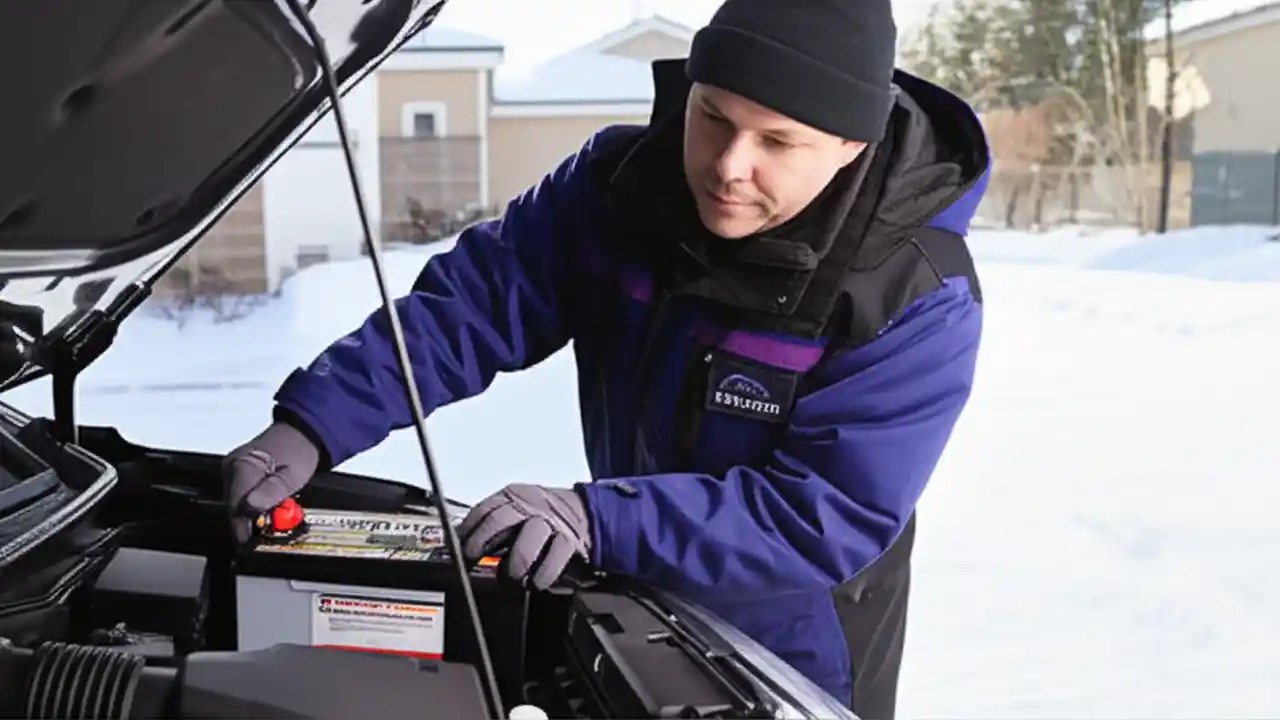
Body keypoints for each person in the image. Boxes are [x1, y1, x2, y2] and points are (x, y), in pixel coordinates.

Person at [222, 0, 990, 715]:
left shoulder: (914, 293)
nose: (728, 164)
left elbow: (820, 515)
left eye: (778, 141)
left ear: (852, 144)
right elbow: (471, 307)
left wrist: (598, 517)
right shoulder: (616, 188)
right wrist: (316, 421)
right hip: (627, 608)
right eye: (713, 116)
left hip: (787, 657)